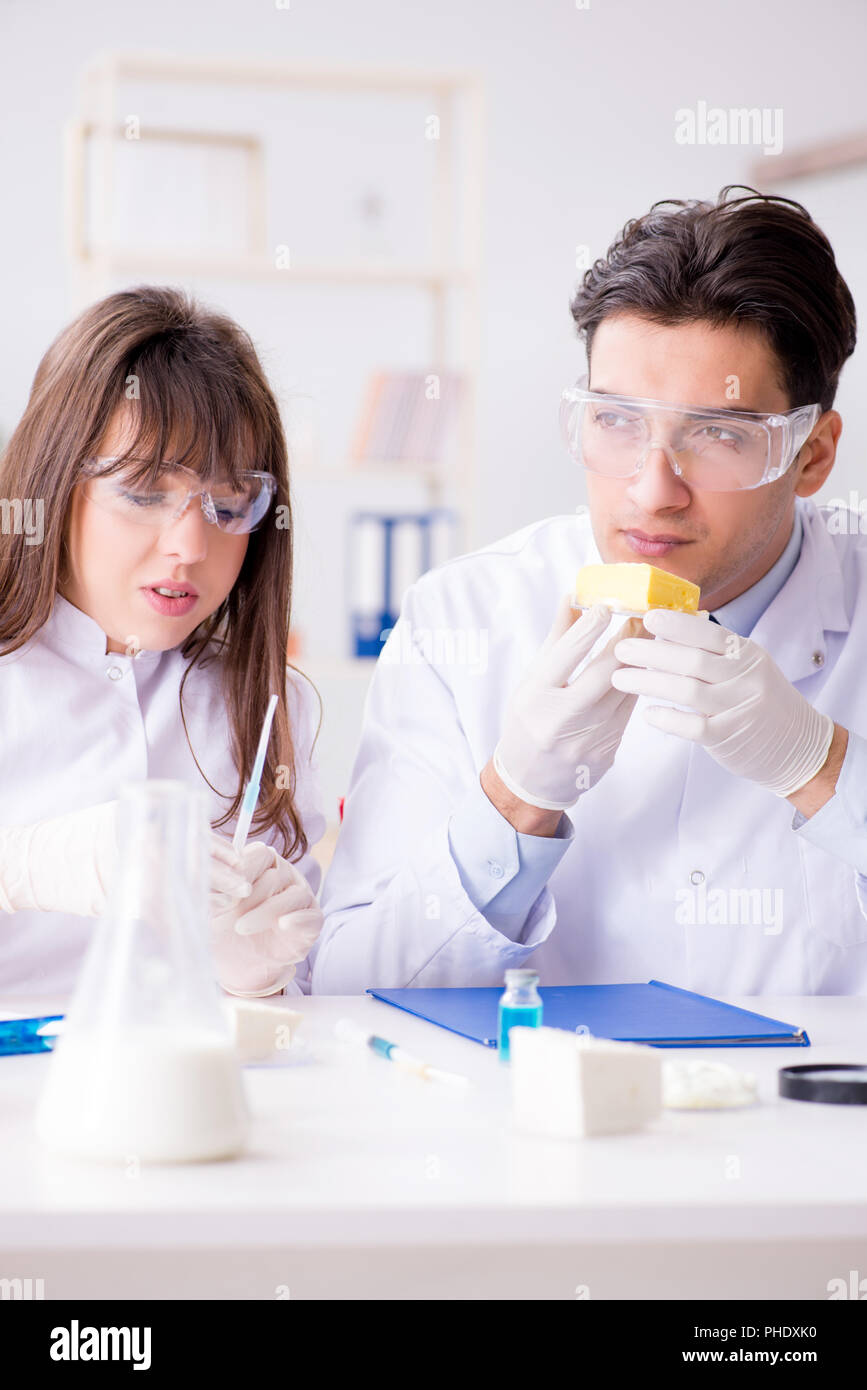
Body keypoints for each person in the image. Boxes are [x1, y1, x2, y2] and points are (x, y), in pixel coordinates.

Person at [313, 185, 867, 996]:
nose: (652, 490)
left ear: (812, 454)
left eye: (716, 433)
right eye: (615, 421)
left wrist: (820, 768)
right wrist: (515, 797)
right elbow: (347, 987)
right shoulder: (462, 619)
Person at [0, 286, 325, 998]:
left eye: (229, 505)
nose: (188, 547)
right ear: (53, 482)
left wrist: (258, 980)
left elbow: (290, 1020)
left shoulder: (267, 708)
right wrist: (28, 867)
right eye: (145, 494)